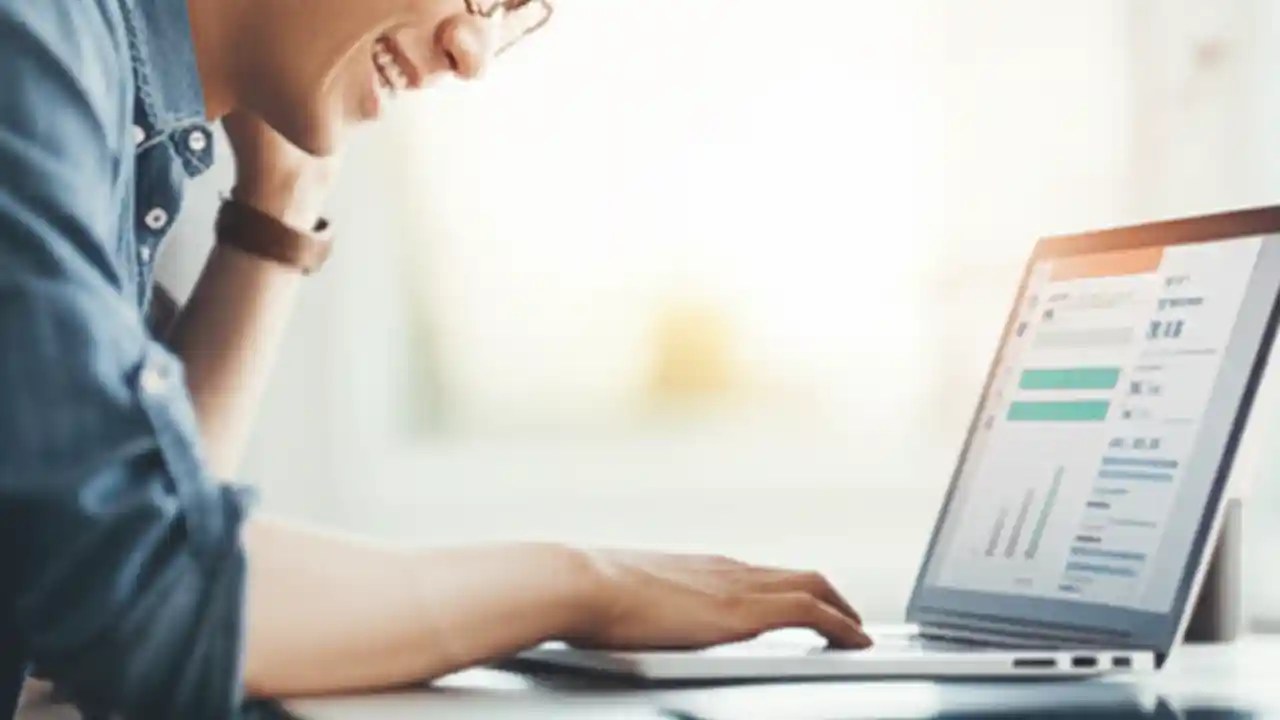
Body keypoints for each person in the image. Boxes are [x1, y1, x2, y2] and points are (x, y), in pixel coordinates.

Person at [0, 0, 872, 717]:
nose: (474, 53)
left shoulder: (108, 104)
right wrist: (587, 585)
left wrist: (282, 205)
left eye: (515, 20)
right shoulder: (36, 44)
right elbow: (140, 603)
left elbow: (97, 584)